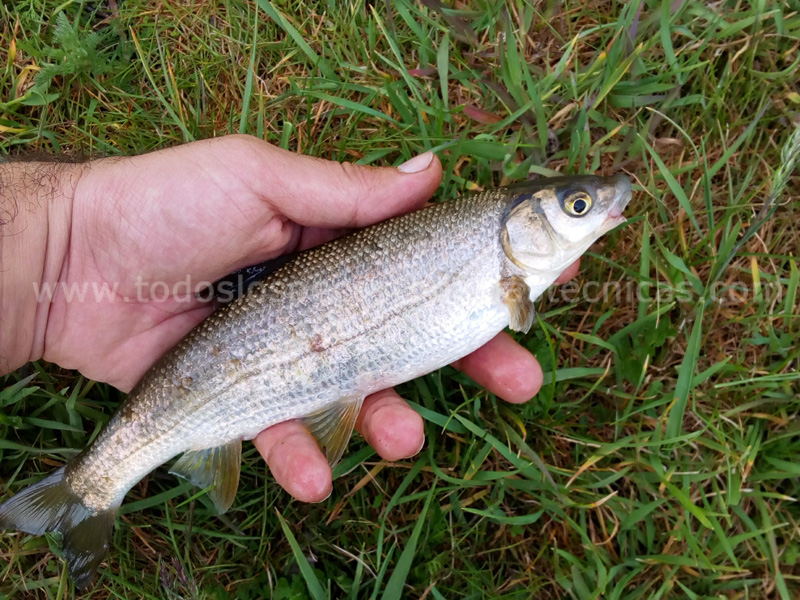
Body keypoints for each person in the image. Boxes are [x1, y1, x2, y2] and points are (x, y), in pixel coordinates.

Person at [0, 135, 579, 502]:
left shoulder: (510, 270)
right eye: (577, 207)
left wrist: (62, 241)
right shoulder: (510, 278)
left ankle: (83, 494)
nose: (594, 211)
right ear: (520, 224)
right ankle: (88, 490)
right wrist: (64, 237)